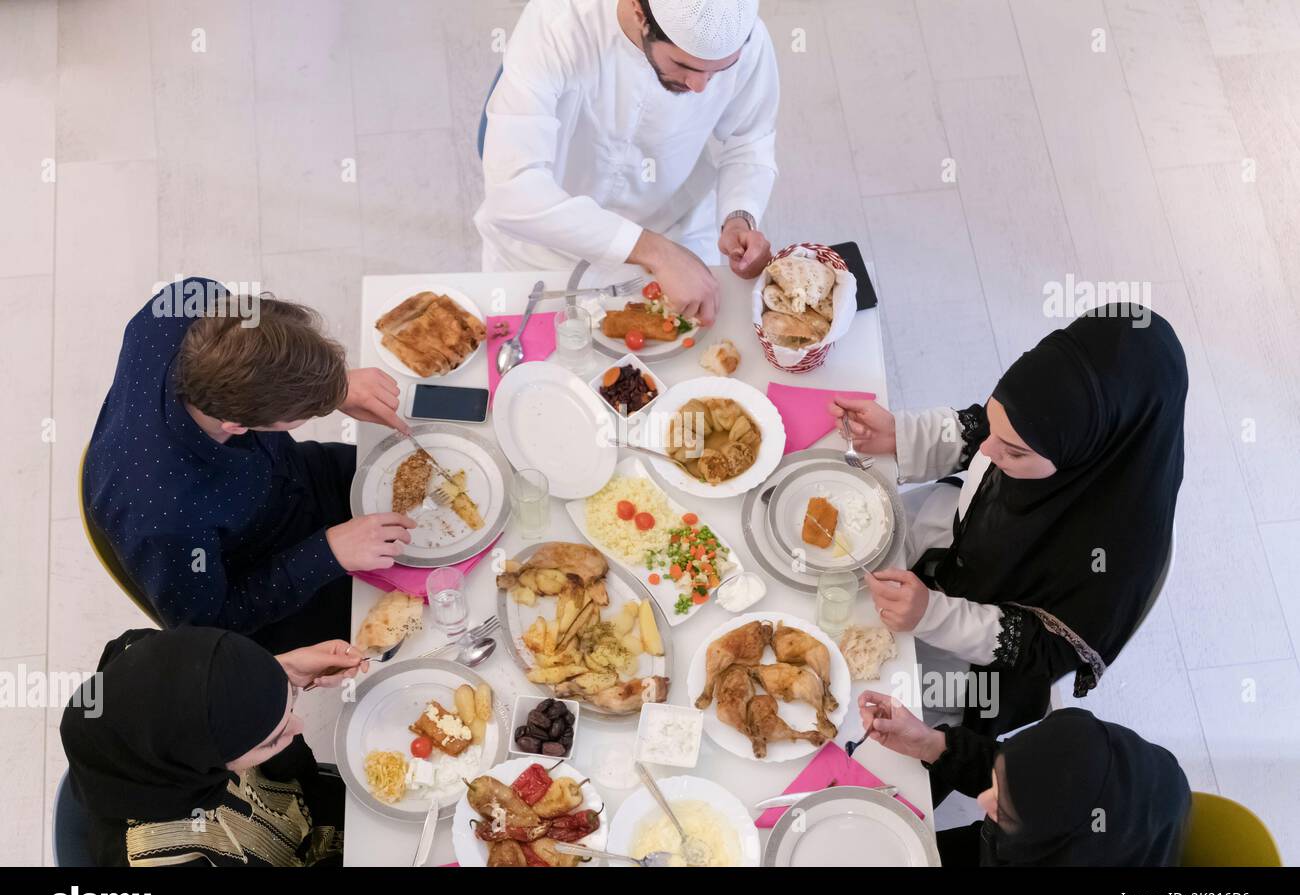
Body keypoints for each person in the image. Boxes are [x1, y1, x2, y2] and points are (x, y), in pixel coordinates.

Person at [831, 305, 1187, 735]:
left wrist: (930, 614)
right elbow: (989, 428)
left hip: (973, 651)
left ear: (1086, 451)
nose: (986, 451)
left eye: (1013, 452)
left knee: (853, 698)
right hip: (951, 540)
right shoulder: (1056, 418)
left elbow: (1041, 651)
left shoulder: (1116, 557)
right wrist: (901, 435)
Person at [85, 277, 416, 652]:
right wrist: (327, 553)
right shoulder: (168, 520)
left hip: (294, 475)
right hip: (266, 572)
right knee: (418, 615)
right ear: (236, 427)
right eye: (308, 413)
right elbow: (212, 625)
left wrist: (335, 386)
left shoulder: (183, 304)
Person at [475, 0, 779, 324]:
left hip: (678, 232)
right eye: (684, 66)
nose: (700, 86)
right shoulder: (558, 24)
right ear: (639, 11)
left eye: (718, 71)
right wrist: (653, 250)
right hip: (545, 242)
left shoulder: (749, 39)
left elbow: (749, 139)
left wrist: (739, 217)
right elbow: (512, 188)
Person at [60, 626, 368, 867]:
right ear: (203, 765)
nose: (299, 726)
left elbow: (210, 687)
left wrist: (276, 672)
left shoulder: (143, 659)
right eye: (271, 740)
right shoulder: (159, 856)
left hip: (323, 809)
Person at [858, 691, 1191, 866]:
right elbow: (1029, 778)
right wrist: (930, 742)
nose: (981, 801)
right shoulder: (1065, 822)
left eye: (1008, 811)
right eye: (998, 779)